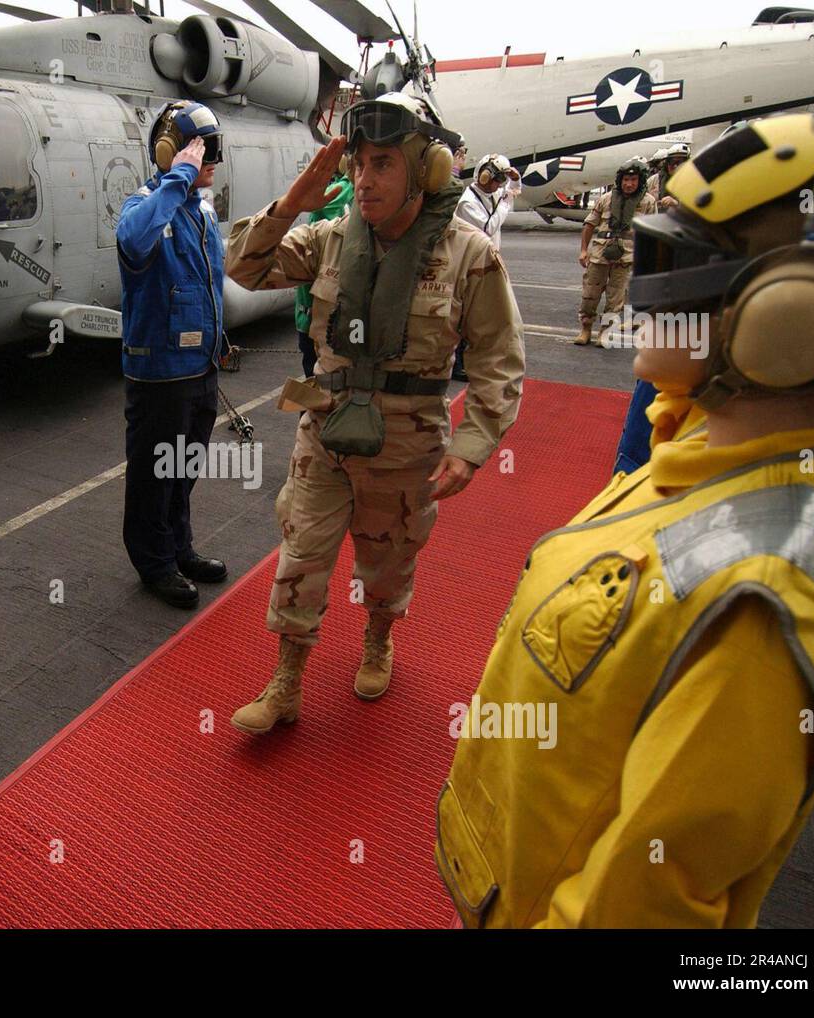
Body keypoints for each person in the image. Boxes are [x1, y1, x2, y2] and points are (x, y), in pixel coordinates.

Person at [435, 110, 814, 928]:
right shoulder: (704, 435)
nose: (646, 290)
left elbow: (645, 902)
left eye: (680, 264)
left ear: (789, 322)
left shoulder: (767, 601)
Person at [224, 92, 525, 733]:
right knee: (301, 553)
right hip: (326, 428)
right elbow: (243, 267)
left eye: (384, 163)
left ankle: (379, 638)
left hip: (407, 442)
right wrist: (292, 202)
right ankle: (287, 682)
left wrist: (472, 446)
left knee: (386, 566)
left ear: (426, 170)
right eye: (358, 163)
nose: (364, 179)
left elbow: (500, 357)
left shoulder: (469, 254)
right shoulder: (330, 239)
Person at [116, 100, 229, 610]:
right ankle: (154, 562)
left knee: (183, 469)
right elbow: (135, 241)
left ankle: (178, 547)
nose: (211, 160)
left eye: (212, 149)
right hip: (159, 371)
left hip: (199, 367)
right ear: (168, 149)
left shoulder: (201, 210)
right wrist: (178, 176)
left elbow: (208, 282)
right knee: (154, 473)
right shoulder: (144, 205)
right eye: (201, 148)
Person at [574, 158, 658, 346]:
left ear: (640, 181)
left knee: (615, 299)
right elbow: (589, 224)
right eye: (625, 180)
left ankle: (604, 333)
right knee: (589, 295)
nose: (628, 184)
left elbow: (651, 232)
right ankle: (585, 329)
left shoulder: (648, 203)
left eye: (633, 180)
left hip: (626, 257)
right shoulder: (606, 199)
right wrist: (583, 250)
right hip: (600, 254)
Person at [293, 156, 354, 378]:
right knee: (316, 385)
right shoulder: (337, 195)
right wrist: (351, 179)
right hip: (314, 317)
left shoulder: (351, 201)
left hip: (339, 317)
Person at [453, 152, 522, 251]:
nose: (500, 185)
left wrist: (515, 179)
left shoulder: (492, 193)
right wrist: (505, 202)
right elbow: (488, 228)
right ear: (485, 179)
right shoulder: (467, 203)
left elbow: (513, 190)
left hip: (488, 257)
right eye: (499, 180)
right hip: (473, 261)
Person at [647, 140, 690, 208]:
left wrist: (677, 204)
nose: (675, 166)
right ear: (667, 163)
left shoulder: (693, 182)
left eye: (680, 163)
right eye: (672, 162)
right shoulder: (654, 180)